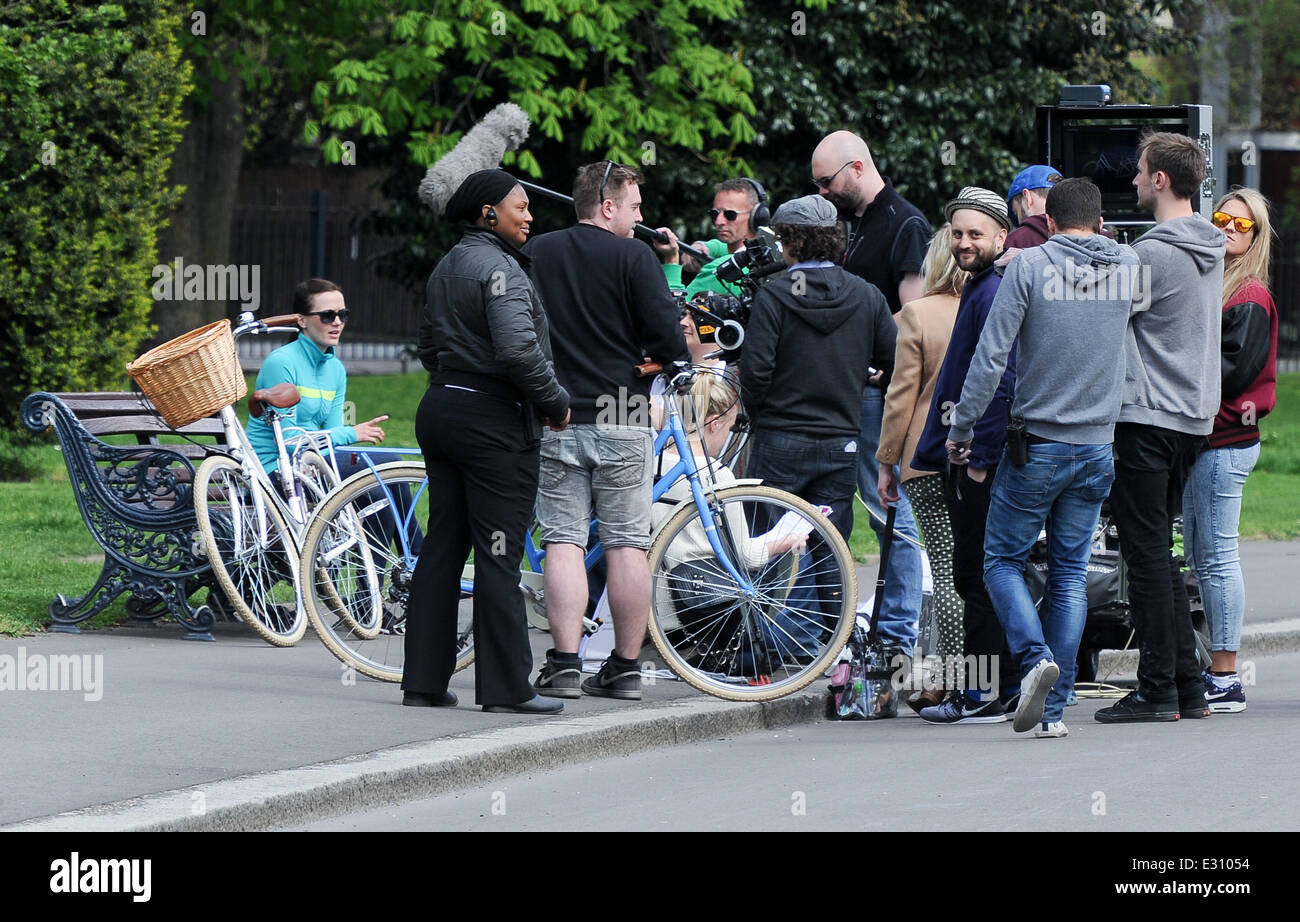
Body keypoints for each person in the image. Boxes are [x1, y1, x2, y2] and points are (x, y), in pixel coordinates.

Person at [946, 178, 1140, 738]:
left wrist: (962, 429)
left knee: (1001, 562)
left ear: (1047, 221)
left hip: (1037, 447)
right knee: (1070, 574)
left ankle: (1034, 662)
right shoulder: (1126, 268)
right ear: (1101, 223)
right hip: (1099, 446)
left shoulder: (1027, 269)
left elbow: (989, 360)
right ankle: (1053, 712)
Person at [403, 168, 571, 716]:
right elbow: (519, 352)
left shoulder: (449, 264)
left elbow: (427, 344)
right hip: (492, 419)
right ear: (487, 214)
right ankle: (507, 689)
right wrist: (556, 402)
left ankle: (424, 682)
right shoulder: (500, 269)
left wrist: (455, 379)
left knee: (444, 545)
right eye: (519, 207)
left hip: (442, 408)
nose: (529, 215)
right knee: (498, 552)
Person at [525, 161, 689, 702]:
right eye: (636, 207)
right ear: (609, 204)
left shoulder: (538, 252)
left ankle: (565, 663)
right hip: (626, 415)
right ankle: (622, 666)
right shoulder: (635, 258)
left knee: (564, 541)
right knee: (626, 545)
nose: (640, 218)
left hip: (559, 413)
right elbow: (668, 339)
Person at [1095, 132, 1226, 724]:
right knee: (1159, 554)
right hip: (1191, 418)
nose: (1132, 181)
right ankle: (1185, 686)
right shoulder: (1209, 245)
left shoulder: (1154, 253)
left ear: (1161, 180)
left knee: (1145, 555)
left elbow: (1099, 310)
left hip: (1146, 415)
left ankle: (1157, 689)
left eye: (1140, 171)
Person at [740, 194, 896, 671]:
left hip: (780, 439)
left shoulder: (775, 295)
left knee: (767, 541)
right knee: (832, 543)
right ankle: (838, 648)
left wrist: (763, 412)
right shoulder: (866, 294)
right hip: (840, 442)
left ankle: (760, 649)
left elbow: (756, 371)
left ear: (790, 242)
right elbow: (894, 361)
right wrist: (863, 377)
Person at [811, 130, 929, 657]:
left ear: (856, 168)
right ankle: (827, 629)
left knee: (890, 513)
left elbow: (914, 315)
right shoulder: (848, 223)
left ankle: (899, 634)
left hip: (878, 392)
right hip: (845, 389)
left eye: (826, 181)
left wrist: (854, 344)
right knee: (832, 509)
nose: (822, 192)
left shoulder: (904, 222)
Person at [910, 186, 1017, 722]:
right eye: (957, 233)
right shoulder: (980, 285)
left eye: (976, 233)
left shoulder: (993, 289)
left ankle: (983, 693)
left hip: (981, 458)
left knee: (976, 573)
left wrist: (978, 457)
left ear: (1002, 235)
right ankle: (999, 688)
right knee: (974, 572)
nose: (964, 242)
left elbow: (999, 378)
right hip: (968, 452)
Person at [1182, 187, 1279, 714]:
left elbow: (1232, 376)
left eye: (1242, 225)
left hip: (1225, 441)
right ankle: (1215, 670)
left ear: (1258, 236)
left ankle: (1225, 677)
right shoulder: (1218, 284)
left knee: (1217, 557)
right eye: (1221, 218)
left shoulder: (1249, 297)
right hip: (1208, 441)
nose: (1228, 229)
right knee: (1202, 557)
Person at [875, 225, 968, 710]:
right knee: (983, 567)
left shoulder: (918, 314)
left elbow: (901, 396)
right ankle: (988, 675)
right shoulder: (992, 304)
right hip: (980, 457)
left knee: (946, 571)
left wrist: (886, 459)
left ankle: (950, 680)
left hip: (925, 459)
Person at [246, 279, 390, 481]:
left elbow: (333, 434)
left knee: (385, 472)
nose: (337, 322)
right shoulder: (281, 363)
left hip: (312, 462)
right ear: (302, 320)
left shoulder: (336, 370)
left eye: (343, 314)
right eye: (327, 316)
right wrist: (352, 434)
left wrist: (344, 435)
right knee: (382, 466)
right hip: (273, 470)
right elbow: (289, 442)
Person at [660, 178, 771, 298]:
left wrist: (671, 260)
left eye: (730, 215)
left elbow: (670, 311)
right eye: (715, 214)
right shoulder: (771, 254)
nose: (719, 221)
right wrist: (708, 246)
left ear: (757, 217)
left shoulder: (719, 271)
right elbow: (730, 249)